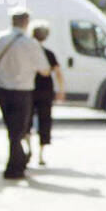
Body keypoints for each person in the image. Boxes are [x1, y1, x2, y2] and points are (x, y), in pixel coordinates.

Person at [0, 6, 50, 180]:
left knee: (12, 129)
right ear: (26, 22)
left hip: (2, 89)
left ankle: (17, 163)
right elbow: (45, 70)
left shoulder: (0, 39)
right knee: (17, 130)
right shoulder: (30, 43)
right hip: (22, 90)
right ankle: (16, 165)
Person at [28, 20, 64, 166]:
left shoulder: (28, 53)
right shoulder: (48, 54)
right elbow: (58, 73)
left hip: (29, 89)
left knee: (27, 121)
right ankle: (41, 155)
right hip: (45, 91)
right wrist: (61, 90)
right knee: (44, 121)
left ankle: (28, 149)